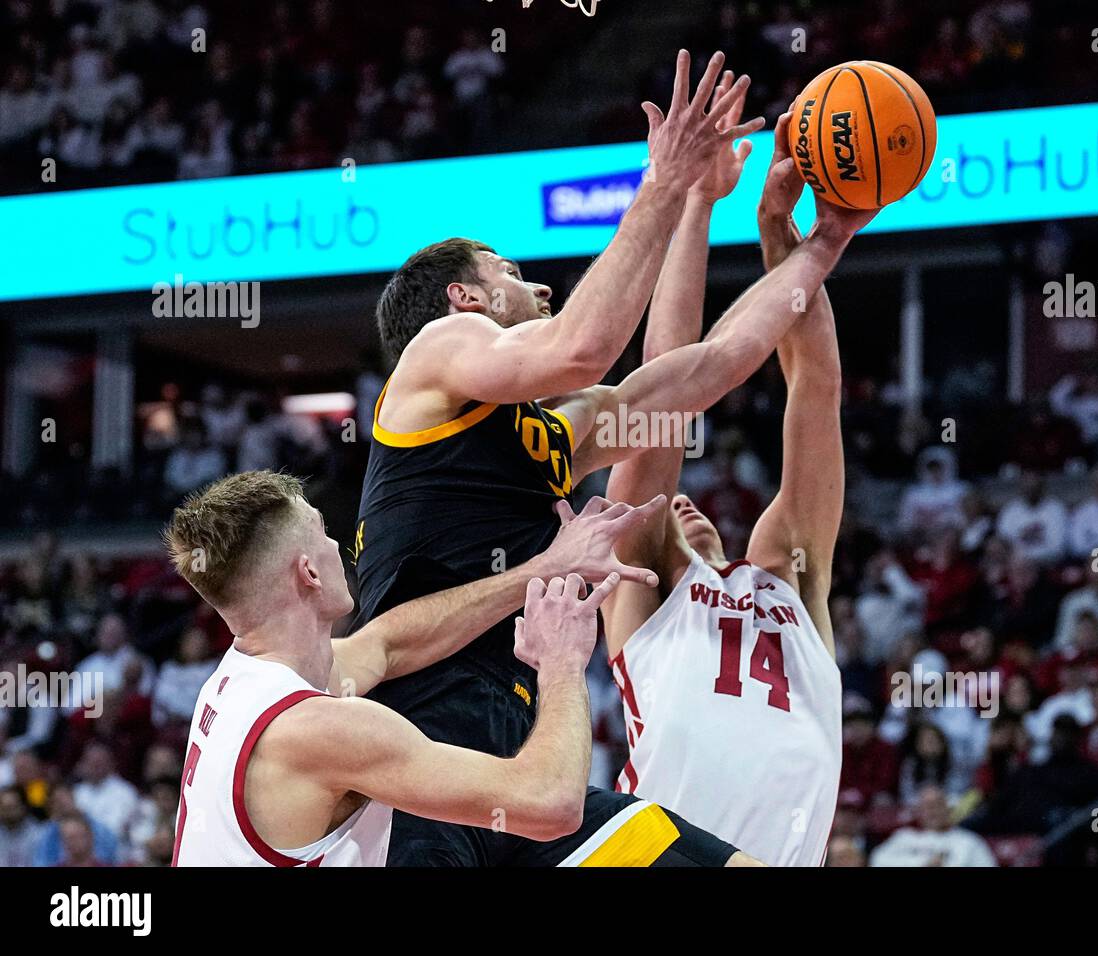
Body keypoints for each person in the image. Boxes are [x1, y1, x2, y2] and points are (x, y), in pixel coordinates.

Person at [354, 51, 870, 866]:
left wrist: (818, 246)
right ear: (467, 299)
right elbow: (584, 348)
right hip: (420, 750)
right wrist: (667, 185)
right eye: (513, 275)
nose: (540, 290)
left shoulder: (551, 445)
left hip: (517, 762)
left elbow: (702, 369)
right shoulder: (435, 354)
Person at [162, 470, 717, 866]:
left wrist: (546, 567)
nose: (338, 544)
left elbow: (388, 643)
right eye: (323, 531)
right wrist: (562, 664)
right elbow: (549, 803)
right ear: (308, 573)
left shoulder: (241, 680)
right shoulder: (322, 731)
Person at [600, 120, 853, 864]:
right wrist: (697, 206)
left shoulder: (788, 577)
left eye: (694, 504)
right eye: (673, 506)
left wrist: (783, 232)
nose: (683, 503)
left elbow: (816, 390)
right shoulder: (643, 590)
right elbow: (667, 381)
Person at [868, 784, 996, 867]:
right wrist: (923, 864)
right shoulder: (903, 837)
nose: (933, 811)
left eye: (938, 805)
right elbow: (877, 861)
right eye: (927, 807)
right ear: (919, 812)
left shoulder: (969, 842)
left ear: (948, 809)